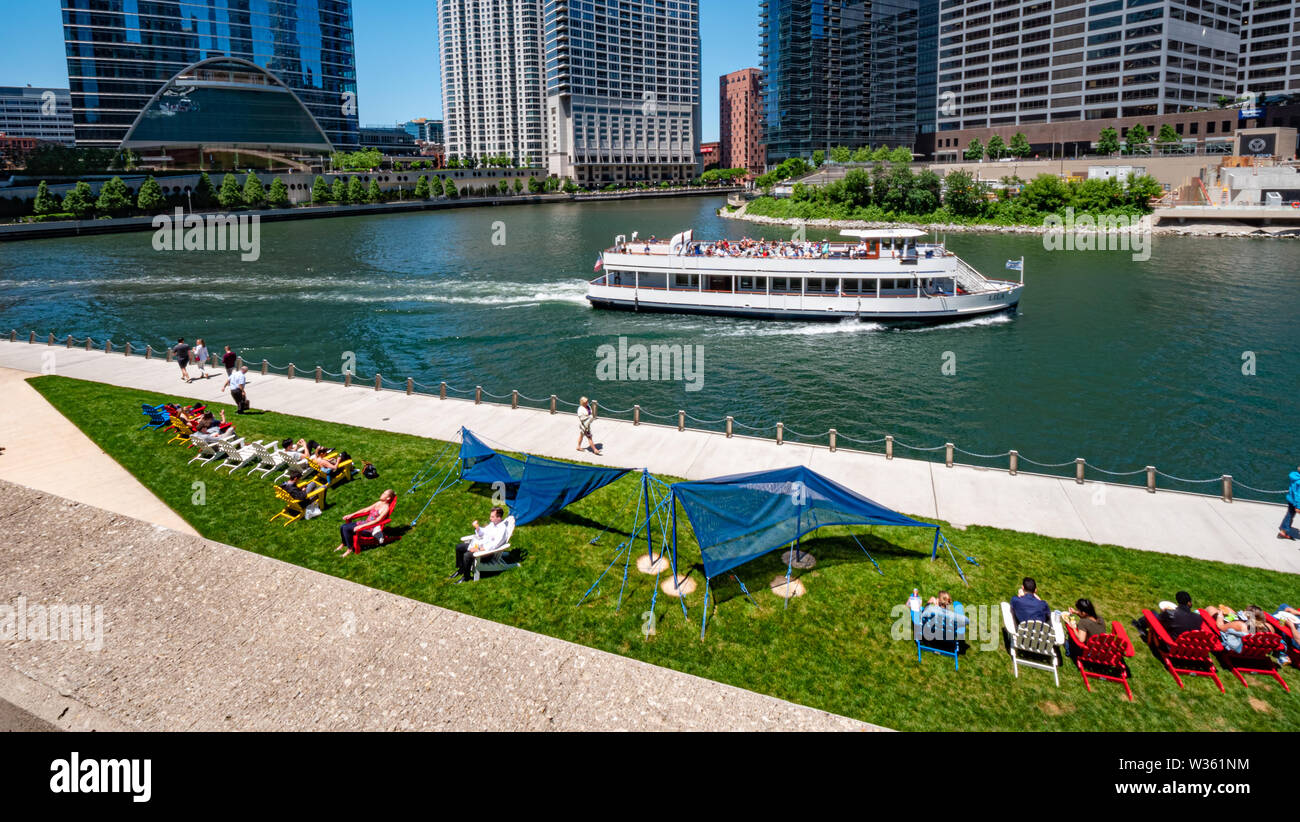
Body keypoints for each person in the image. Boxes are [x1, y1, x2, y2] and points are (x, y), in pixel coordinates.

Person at [452, 506, 510, 582]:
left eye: (492, 517)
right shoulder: (493, 524)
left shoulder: (502, 530)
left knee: (467, 555)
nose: (490, 518)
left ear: (499, 518)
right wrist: (478, 528)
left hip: (488, 553)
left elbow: (493, 546)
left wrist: (478, 549)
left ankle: (466, 577)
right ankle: (461, 569)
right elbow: (484, 532)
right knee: (459, 547)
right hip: (481, 547)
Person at [335, 489, 395, 555]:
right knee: (342, 526)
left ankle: (350, 549)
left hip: (370, 528)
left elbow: (377, 521)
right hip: (365, 523)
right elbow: (365, 509)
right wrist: (352, 514)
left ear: (388, 498)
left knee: (346, 528)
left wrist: (361, 526)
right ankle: (344, 543)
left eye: (384, 494)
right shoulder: (379, 503)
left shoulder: (385, 508)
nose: (382, 494)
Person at [1279, 468, 1300, 540]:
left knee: (1289, 514)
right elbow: (1298, 496)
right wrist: (1298, 507)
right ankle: (1283, 532)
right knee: (1290, 516)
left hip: (1291, 499)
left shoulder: (1294, 476)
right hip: (1296, 502)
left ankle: (1283, 529)